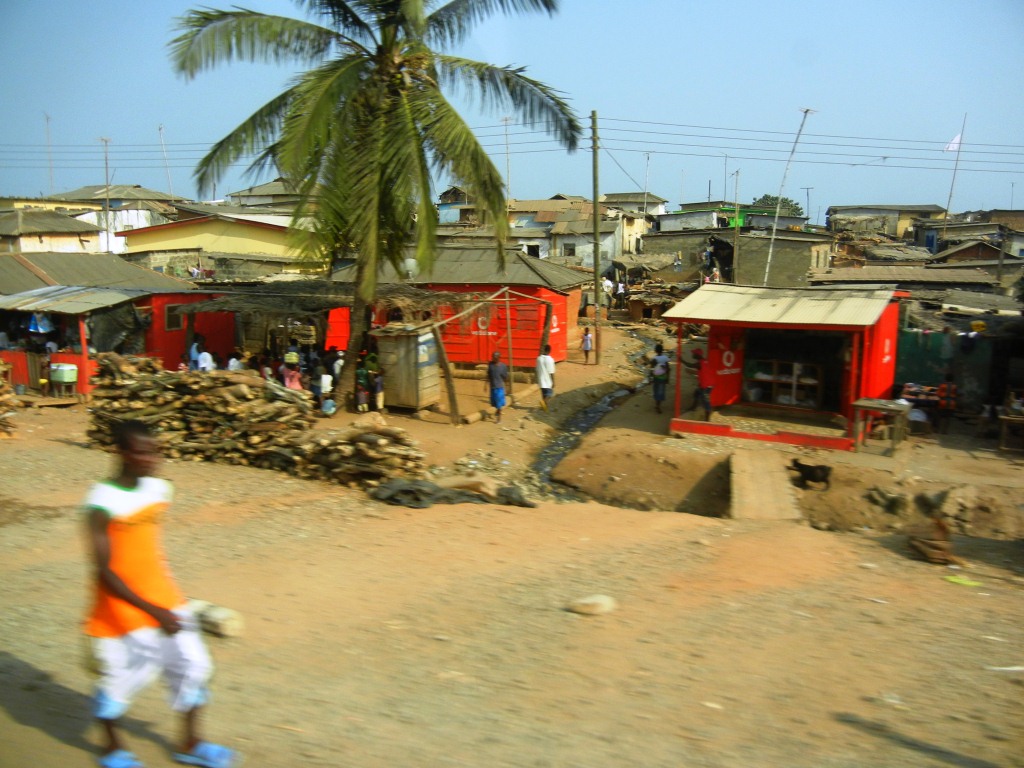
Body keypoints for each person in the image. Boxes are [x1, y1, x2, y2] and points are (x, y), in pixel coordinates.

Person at [83, 420, 236, 768]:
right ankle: (110, 748)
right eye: (142, 452)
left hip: (167, 601)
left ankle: (190, 743)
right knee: (120, 684)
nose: (152, 459)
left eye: (155, 451)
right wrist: (153, 611)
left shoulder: (158, 490)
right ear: (120, 452)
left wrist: (162, 607)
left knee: (194, 667)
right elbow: (104, 572)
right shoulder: (100, 502)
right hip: (121, 613)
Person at [685, 348, 713, 421]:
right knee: (696, 393)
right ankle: (693, 407)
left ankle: (707, 420)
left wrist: (681, 360)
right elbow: (702, 372)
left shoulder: (700, 363)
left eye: (694, 354)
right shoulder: (704, 361)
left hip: (706, 386)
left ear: (697, 355)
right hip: (706, 384)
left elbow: (690, 365)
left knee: (706, 402)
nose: (692, 355)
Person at [486, 351, 510, 423]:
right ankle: (498, 411)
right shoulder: (490, 365)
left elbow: (505, 377)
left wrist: (507, 386)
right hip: (492, 387)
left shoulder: (503, 366)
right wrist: (485, 385)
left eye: (495, 357)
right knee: (494, 404)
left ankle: (499, 419)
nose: (493, 358)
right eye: (492, 357)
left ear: (499, 358)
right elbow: (488, 375)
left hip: (499, 387)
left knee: (499, 404)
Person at [649, 343, 671, 414]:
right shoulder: (665, 358)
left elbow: (651, 369)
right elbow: (668, 369)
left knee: (656, 391)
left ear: (655, 350)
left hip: (656, 378)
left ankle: (657, 405)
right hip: (663, 378)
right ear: (662, 350)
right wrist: (668, 378)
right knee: (661, 391)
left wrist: (650, 378)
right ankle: (658, 405)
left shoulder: (654, 359)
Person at [535, 344, 556, 411]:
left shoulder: (539, 359)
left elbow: (537, 369)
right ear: (550, 351)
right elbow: (551, 372)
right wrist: (553, 382)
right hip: (547, 381)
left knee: (544, 394)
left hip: (541, 380)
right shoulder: (550, 360)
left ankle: (544, 408)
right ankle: (543, 403)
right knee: (549, 394)